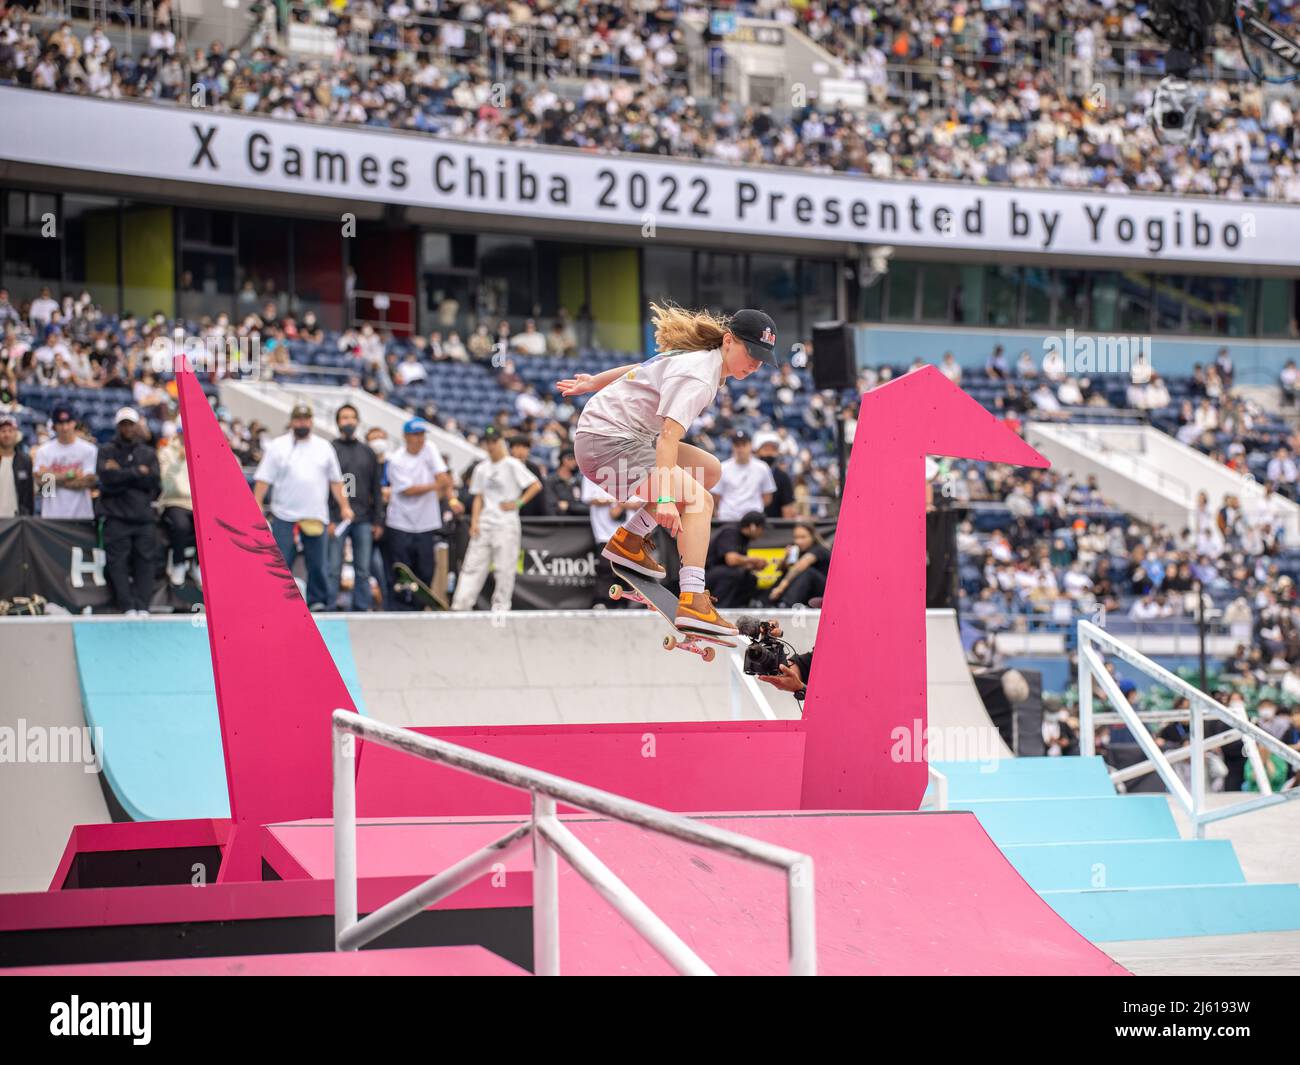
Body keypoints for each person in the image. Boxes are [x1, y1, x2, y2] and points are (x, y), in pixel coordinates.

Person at [557, 304, 779, 636]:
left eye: (763, 359)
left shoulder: (699, 358)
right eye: (752, 352)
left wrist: (594, 383)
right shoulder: (700, 375)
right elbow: (667, 440)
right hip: (608, 447)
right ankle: (693, 598)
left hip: (613, 439)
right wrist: (664, 499)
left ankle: (630, 539)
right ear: (729, 340)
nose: (756, 364)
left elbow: (640, 368)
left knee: (710, 470)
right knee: (700, 500)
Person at [253, 403, 353, 611]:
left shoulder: (324, 446)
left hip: (315, 514)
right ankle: (277, 602)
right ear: (291, 421)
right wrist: (256, 505)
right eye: (298, 420)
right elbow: (263, 479)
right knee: (280, 563)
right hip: (284, 514)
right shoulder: (278, 446)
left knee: (317, 564)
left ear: (311, 422)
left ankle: (317, 601)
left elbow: (335, 480)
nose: (302, 423)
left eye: (305, 420)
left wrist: (344, 505)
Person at [452, 426, 540, 612]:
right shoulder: (481, 468)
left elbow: (535, 485)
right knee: (472, 567)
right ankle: (460, 606)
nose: (491, 445)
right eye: (488, 442)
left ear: (500, 442)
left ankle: (501, 610)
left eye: (494, 441)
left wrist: (518, 503)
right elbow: (478, 497)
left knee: (504, 569)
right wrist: (475, 522)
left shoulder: (513, 464)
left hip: (506, 524)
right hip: (485, 523)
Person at [96, 407, 161, 617]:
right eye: (123, 424)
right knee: (117, 563)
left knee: (145, 562)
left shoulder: (148, 453)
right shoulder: (106, 450)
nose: (127, 428)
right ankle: (126, 606)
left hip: (143, 517)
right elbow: (106, 482)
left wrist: (120, 472)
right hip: (116, 517)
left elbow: (154, 482)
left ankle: (143, 606)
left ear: (136, 426)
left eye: (131, 424)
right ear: (117, 426)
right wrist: (136, 473)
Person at [384, 418, 450, 609]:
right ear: (406, 437)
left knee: (426, 569)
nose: (420, 439)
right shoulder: (396, 460)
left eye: (421, 434)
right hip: (400, 522)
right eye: (415, 435)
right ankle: (400, 606)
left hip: (426, 522)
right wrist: (436, 485)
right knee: (402, 570)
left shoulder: (430, 448)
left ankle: (420, 606)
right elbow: (408, 490)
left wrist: (445, 491)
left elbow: (443, 476)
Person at [328, 404, 383, 611]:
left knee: (363, 569)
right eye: (344, 418)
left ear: (357, 422)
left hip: (363, 519)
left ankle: (361, 608)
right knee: (333, 568)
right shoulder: (330, 449)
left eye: (352, 417)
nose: (348, 421)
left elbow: (376, 489)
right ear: (338, 422)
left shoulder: (367, 452)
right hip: (337, 518)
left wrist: (378, 520)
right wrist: (328, 518)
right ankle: (329, 607)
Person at [32, 405, 97, 519]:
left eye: (68, 422)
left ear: (75, 423)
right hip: (51, 515)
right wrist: (70, 475)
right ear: (54, 426)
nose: (65, 427)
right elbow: (44, 486)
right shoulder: (44, 451)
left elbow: (88, 482)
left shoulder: (89, 449)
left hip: (81, 516)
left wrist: (51, 476)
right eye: (60, 423)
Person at [157, 424, 195, 586]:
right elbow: (166, 483)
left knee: (213, 525)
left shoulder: (201, 450)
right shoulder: (166, 452)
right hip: (173, 501)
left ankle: (198, 564)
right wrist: (179, 460)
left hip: (197, 504)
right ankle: (178, 563)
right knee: (181, 526)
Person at [706, 510, 769, 609]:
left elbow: (739, 563)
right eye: (761, 528)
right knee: (733, 573)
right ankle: (718, 606)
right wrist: (754, 560)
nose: (762, 533)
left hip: (721, 573)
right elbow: (731, 560)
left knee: (751, 579)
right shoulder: (730, 532)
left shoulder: (744, 539)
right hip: (707, 575)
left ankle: (735, 606)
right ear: (753, 527)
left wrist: (754, 566)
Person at [713, 429, 777, 522]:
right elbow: (716, 496)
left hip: (753, 519)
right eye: (737, 445)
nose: (740, 449)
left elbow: (768, 496)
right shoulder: (723, 468)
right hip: (728, 518)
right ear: (733, 447)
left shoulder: (762, 467)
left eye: (744, 445)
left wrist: (754, 509)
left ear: (750, 445)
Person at [768, 521, 831, 607]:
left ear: (812, 536)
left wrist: (781, 587)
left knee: (807, 572)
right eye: (796, 537)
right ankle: (766, 602)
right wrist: (786, 558)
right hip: (808, 592)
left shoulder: (819, 549)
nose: (798, 541)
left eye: (803, 537)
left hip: (825, 591)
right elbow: (780, 570)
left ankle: (787, 604)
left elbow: (800, 566)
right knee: (787, 574)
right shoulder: (798, 551)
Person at [753, 430, 796, 519]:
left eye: (773, 449)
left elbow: (788, 508)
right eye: (766, 449)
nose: (769, 453)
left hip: (775, 527)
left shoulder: (783, 477)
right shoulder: (748, 473)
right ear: (757, 451)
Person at [0, 414, 34, 517]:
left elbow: (30, 494)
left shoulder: (25, 461)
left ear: (16, 434)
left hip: (16, 522)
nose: (7, 435)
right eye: (3, 431)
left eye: (10, 431)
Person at [543, 449, 587, 517]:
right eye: (575, 459)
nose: (577, 463)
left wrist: (569, 506)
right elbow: (552, 507)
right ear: (565, 459)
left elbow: (587, 508)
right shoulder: (549, 481)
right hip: (557, 524)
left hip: (579, 524)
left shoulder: (578, 482)